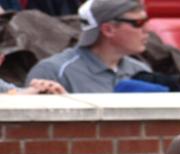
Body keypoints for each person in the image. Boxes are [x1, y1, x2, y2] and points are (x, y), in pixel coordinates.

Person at [25, 0, 154, 93]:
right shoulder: (53, 72)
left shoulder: (141, 71)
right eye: (138, 23)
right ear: (108, 29)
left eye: (146, 22)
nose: (147, 29)